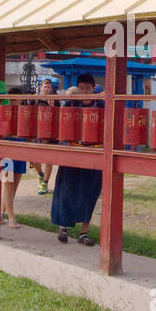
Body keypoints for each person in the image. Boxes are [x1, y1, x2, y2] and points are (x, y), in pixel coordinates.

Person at [50, 73, 104, 245]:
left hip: (94, 153)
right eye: (82, 88)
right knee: (67, 189)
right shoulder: (70, 104)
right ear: (78, 88)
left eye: (88, 88)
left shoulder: (101, 106)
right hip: (73, 152)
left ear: (93, 89)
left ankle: (84, 232)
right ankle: (63, 227)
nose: (84, 91)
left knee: (90, 192)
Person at [0, 87, 29, 228]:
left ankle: (1, 212)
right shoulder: (4, 111)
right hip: (7, 147)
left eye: (17, 97)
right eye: (12, 98)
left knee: (15, 184)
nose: (14, 100)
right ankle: (11, 217)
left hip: (20, 147)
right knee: (7, 182)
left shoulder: (25, 112)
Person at [29, 76, 57, 195]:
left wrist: (53, 105)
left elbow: (58, 115)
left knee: (49, 160)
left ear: (51, 88)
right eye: (44, 86)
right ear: (41, 87)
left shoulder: (56, 100)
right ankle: (40, 174)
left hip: (50, 132)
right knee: (34, 159)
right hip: (38, 132)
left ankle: (45, 183)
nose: (46, 89)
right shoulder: (35, 100)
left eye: (48, 87)